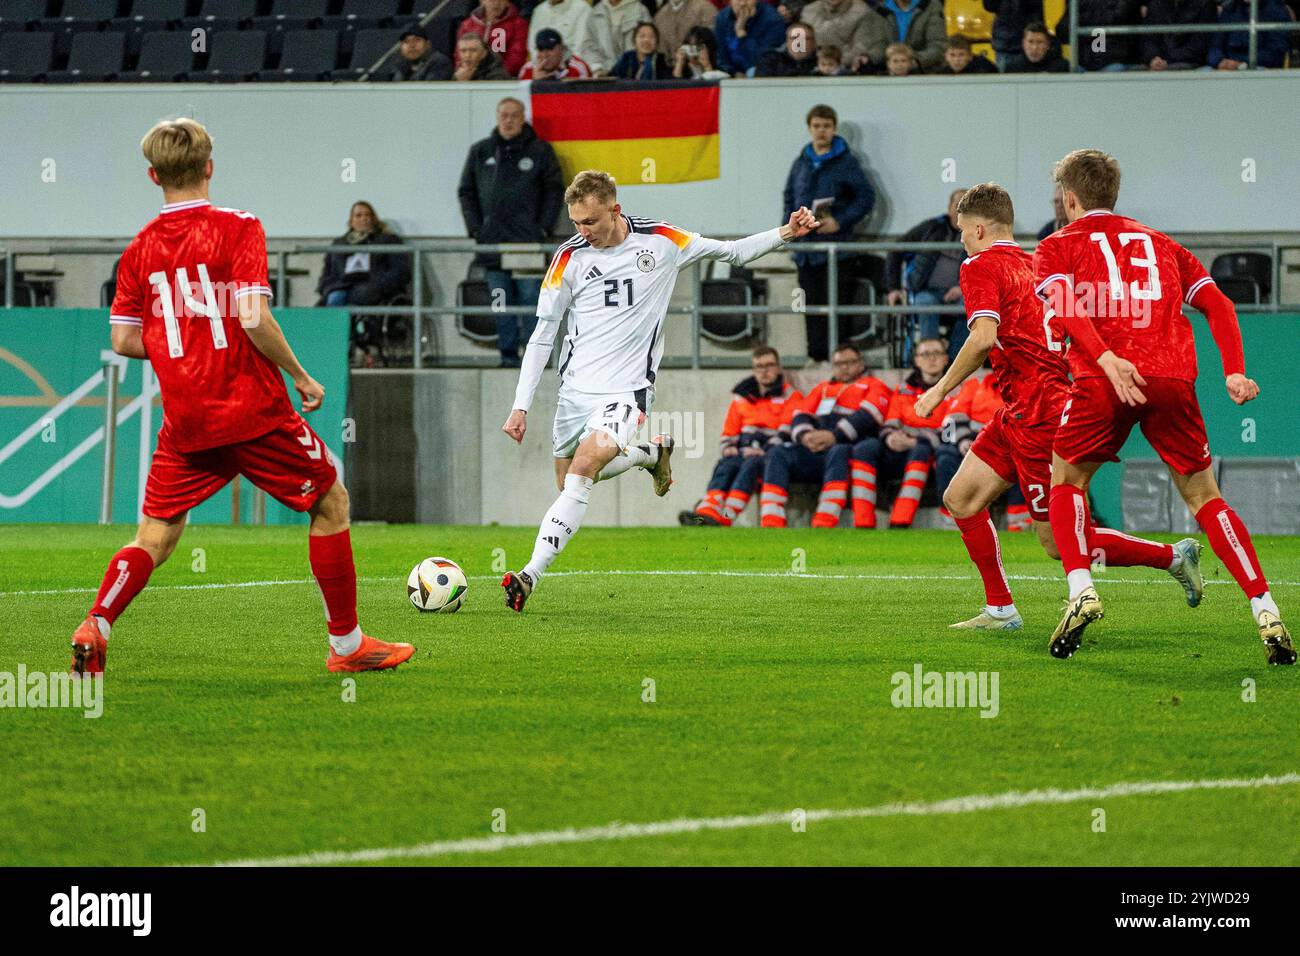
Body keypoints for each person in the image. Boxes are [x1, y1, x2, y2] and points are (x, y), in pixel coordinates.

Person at [72, 118, 413, 677]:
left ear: (153, 176)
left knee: (155, 534)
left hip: (187, 419)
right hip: (251, 409)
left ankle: (97, 623)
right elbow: (252, 316)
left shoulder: (138, 250)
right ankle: (347, 645)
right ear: (209, 167)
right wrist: (300, 375)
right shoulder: (238, 227)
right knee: (331, 502)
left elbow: (123, 339)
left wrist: (182, 347)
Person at [499, 171, 818, 611]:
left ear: (615, 210)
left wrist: (786, 232)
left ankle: (529, 575)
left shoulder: (663, 240)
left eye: (590, 221)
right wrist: (520, 406)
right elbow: (542, 336)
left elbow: (733, 252)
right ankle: (649, 455)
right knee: (569, 477)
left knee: (582, 470)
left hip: (627, 389)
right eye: (575, 222)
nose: (582, 231)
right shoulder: (568, 257)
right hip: (574, 391)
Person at [1034, 148, 1293, 663]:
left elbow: (1063, 304)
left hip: (1103, 378)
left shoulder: (1056, 245)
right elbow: (1218, 303)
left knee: (1067, 483)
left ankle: (1082, 590)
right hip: (1172, 376)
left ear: (1068, 198)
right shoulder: (1163, 244)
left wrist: (1106, 357)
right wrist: (1234, 369)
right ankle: (1265, 608)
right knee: (1205, 497)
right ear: (1114, 193)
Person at [914, 183, 1197, 630]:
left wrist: (939, 390)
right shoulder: (1038, 264)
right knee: (961, 499)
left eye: (964, 230)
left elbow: (983, 337)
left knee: (1056, 542)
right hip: (1020, 410)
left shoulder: (979, 265)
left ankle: (1173, 557)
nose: (962, 239)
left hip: (1040, 415)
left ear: (980, 229)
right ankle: (1001, 610)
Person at [458, 97, 565, 367]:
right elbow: (466, 192)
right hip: (492, 243)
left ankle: (533, 358)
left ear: (523, 118)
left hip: (526, 243)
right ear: (497, 118)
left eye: (514, 115)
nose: (508, 121)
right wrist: (477, 229)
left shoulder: (540, 151)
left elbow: (554, 191)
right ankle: (507, 355)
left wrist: (542, 228)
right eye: (504, 115)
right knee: (500, 300)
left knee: (530, 299)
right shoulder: (481, 151)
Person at [758, 345, 891, 527]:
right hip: (815, 447)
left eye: (850, 362)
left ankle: (825, 520)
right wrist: (806, 436)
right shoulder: (822, 388)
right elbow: (800, 415)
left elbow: (868, 416)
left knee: (839, 451)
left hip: (847, 446)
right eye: (839, 363)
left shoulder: (874, 385)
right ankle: (771, 520)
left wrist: (834, 436)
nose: (844, 367)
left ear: (861, 364)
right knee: (778, 452)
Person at [782, 104, 874, 364]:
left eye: (826, 126)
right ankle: (816, 357)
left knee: (837, 305)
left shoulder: (847, 162)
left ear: (834, 128)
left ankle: (841, 361)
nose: (821, 131)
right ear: (809, 128)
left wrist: (839, 221)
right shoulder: (800, 162)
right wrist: (788, 232)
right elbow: (788, 197)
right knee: (811, 306)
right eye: (816, 126)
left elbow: (866, 198)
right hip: (806, 251)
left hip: (837, 250)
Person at [681, 345, 803, 526]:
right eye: (759, 366)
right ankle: (706, 512)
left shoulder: (792, 396)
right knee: (726, 464)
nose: (764, 371)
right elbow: (730, 430)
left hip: (772, 456)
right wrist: (729, 447)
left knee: (750, 465)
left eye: (769, 365)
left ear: (778, 368)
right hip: (743, 452)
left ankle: (723, 518)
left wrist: (764, 450)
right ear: (754, 370)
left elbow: (787, 431)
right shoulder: (742, 397)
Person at [849, 338, 953, 528]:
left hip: (928, 450)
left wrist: (915, 439)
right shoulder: (903, 389)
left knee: (921, 449)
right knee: (864, 448)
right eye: (925, 354)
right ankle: (863, 522)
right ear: (917, 360)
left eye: (937, 353)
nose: (931, 359)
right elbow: (890, 422)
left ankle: (900, 520)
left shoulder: (955, 390)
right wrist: (890, 437)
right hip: (899, 445)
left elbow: (950, 432)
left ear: (946, 359)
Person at [886, 188, 969, 363]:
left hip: (960, 292)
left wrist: (961, 287)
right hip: (926, 290)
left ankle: (953, 362)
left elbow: (985, 269)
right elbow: (895, 251)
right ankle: (930, 360)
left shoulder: (978, 234)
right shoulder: (931, 227)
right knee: (927, 304)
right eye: (958, 205)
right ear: (949, 207)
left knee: (974, 308)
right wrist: (893, 288)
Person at [316, 201, 411, 310]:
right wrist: (325, 287)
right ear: (351, 221)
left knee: (350, 298)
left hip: (373, 285)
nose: (364, 218)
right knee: (334, 298)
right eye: (358, 215)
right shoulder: (339, 243)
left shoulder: (388, 240)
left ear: (374, 219)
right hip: (341, 286)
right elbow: (327, 272)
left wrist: (380, 285)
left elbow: (401, 270)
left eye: (368, 215)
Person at [800, 0, 889, 71]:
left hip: (850, 73)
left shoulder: (864, 12)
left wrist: (832, 63)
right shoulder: (808, 11)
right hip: (811, 70)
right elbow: (801, 48)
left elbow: (863, 48)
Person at [1208, 0, 1294, 69]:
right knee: (1203, 73)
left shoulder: (1277, 10)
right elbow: (1215, 45)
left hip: (1262, 67)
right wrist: (1219, 61)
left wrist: (1242, 63)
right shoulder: (1230, 8)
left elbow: (1276, 52)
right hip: (1228, 66)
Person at [457, 0, 531, 78]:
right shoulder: (467, 25)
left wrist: (493, 75)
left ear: (507, 2)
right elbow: (458, 55)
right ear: (482, 1)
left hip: (502, 79)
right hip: (469, 77)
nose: (496, 3)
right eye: (491, 0)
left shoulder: (518, 24)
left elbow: (516, 58)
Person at [715, 0, 788, 74]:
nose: (743, 3)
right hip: (732, 75)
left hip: (763, 74)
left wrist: (741, 32)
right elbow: (721, 56)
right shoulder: (723, 17)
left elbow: (764, 60)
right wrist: (733, 73)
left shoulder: (773, 20)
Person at [529, 0, 603, 71]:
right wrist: (544, 66)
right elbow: (533, 47)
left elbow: (582, 48)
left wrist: (557, 67)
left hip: (572, 69)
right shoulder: (539, 11)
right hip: (541, 68)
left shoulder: (582, 8)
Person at [1141, 0, 1216, 70]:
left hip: (1189, 62)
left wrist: (1166, 60)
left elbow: (1199, 44)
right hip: (1158, 62)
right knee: (1138, 69)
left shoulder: (1205, 4)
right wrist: (1153, 58)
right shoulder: (1156, 4)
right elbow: (1148, 39)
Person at [874, 0, 947, 71]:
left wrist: (914, 62)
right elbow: (877, 46)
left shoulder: (931, 6)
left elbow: (938, 46)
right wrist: (891, 62)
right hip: (887, 73)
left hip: (925, 72)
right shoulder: (880, 9)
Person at [591, 0, 654, 74]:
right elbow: (588, 46)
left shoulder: (641, 12)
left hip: (633, 74)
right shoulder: (596, 12)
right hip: (603, 75)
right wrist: (598, 68)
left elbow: (649, 46)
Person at [981, 0, 1044, 71]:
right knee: (1005, 76)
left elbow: (1034, 7)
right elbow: (989, 6)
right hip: (1005, 44)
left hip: (1029, 42)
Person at [519, 27, 596, 77]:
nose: (545, 55)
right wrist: (535, 83)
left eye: (550, 49)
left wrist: (545, 84)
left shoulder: (577, 68)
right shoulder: (527, 70)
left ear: (561, 49)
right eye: (541, 49)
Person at [655, 0, 719, 57]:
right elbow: (661, 53)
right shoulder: (659, 17)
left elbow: (711, 45)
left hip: (701, 63)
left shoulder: (705, 8)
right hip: (670, 65)